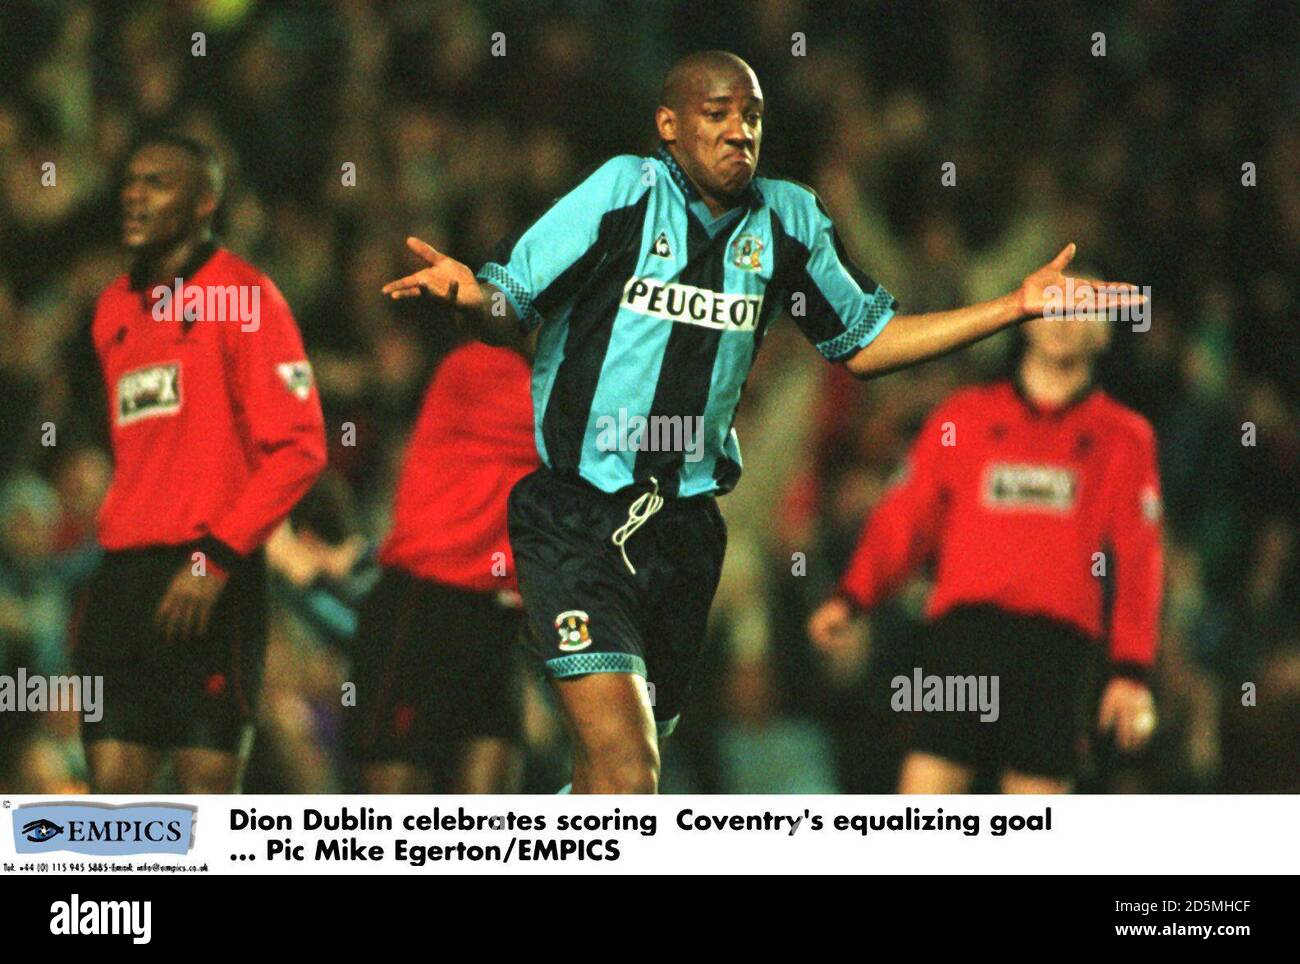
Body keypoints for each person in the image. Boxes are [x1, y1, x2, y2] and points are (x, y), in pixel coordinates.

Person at [382, 51, 1139, 793]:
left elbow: (867, 345)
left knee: (607, 780)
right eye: (717, 115)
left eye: (752, 117)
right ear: (669, 126)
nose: (740, 131)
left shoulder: (788, 223)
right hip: (577, 520)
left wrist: (1011, 307)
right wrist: (471, 299)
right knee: (628, 770)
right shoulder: (622, 193)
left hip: (684, 536)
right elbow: (512, 300)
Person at [808, 309, 1163, 793]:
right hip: (965, 640)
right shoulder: (965, 416)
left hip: (1057, 653)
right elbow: (907, 516)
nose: (1064, 320)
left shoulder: (1123, 436)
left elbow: (1139, 556)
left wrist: (1131, 670)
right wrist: (852, 596)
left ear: (1104, 333)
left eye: (1082, 310)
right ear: (1029, 319)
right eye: (1052, 305)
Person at [76, 133, 326, 793]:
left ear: (205, 199)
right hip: (122, 584)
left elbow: (300, 447)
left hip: (210, 579)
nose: (134, 193)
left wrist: (213, 561)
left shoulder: (242, 295)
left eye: (158, 182)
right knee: (110, 816)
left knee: (206, 812)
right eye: (130, 180)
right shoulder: (111, 309)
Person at [343, 341, 537, 793]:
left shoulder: (571, 379)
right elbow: (580, 436)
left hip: (498, 619)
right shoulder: (474, 365)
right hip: (421, 608)